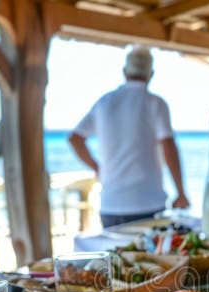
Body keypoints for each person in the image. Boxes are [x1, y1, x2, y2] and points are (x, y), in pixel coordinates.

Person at [69, 46, 189, 228]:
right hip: (148, 201)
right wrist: (180, 192)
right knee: (150, 256)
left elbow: (75, 138)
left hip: (112, 202)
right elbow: (168, 146)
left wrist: (98, 167)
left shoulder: (105, 102)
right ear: (151, 74)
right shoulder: (155, 103)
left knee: (115, 255)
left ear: (124, 72)